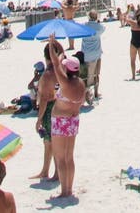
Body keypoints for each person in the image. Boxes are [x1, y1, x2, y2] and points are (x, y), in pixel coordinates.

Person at [48, 32, 85, 198]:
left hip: (61, 121)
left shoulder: (64, 83)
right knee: (69, 157)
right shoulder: (80, 83)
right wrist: (58, 45)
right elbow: (62, 60)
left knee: (60, 158)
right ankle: (69, 189)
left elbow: (56, 64)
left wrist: (50, 45)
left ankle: (64, 191)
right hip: (73, 120)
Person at [30, 41, 62, 182]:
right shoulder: (61, 68)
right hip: (61, 105)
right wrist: (54, 43)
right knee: (50, 141)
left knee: (51, 142)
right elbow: (62, 53)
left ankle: (56, 173)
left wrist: (38, 120)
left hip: (50, 109)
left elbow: (43, 100)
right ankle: (45, 170)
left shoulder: (47, 75)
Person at [81, 9, 105, 100]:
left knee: (85, 75)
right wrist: (98, 22)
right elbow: (103, 29)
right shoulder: (99, 27)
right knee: (96, 74)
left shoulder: (84, 26)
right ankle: (95, 93)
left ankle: (86, 94)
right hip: (96, 53)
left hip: (85, 54)